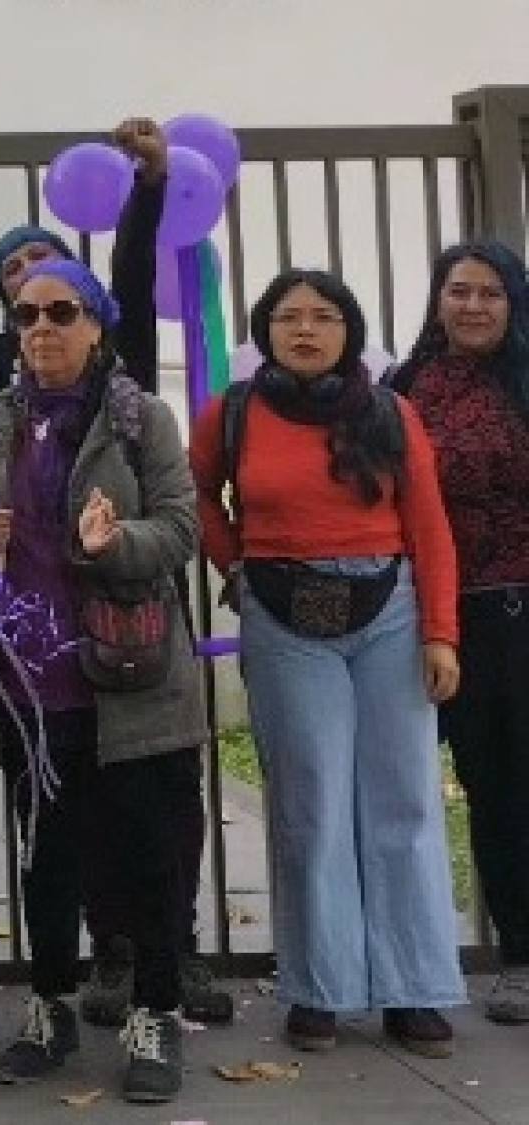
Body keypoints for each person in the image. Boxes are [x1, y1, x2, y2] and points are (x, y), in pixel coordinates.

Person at [0, 259, 209, 1103]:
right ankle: (47, 1006)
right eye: (27, 315)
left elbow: (182, 528)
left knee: (147, 857)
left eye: (62, 312)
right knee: (46, 859)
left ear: (97, 325)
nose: (42, 329)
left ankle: (155, 1011)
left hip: (129, 678)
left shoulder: (140, 418)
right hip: (30, 685)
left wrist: (114, 541)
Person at [191, 269, 464, 1057]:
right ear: (265, 330)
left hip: (391, 614)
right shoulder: (231, 413)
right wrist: (237, 568)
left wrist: (440, 632)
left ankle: (413, 988)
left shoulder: (391, 412)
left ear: (349, 331)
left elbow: (430, 525)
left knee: (403, 800)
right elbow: (197, 496)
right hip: (283, 617)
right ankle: (319, 987)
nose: (305, 329)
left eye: (323, 316)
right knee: (310, 802)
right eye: (289, 317)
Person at [389, 241, 529, 1025]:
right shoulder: (404, 387)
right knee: (439, 788)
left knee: (516, 785)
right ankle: (414, 959)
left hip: (518, 610)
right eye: (459, 291)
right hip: (427, 615)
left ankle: (523, 955)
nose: (473, 306)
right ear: (438, 300)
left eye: (490, 293)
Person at [0, 118, 167, 416]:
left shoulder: (115, 335)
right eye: (12, 269)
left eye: (39, 255)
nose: (29, 269)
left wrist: (149, 178)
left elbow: (133, 266)